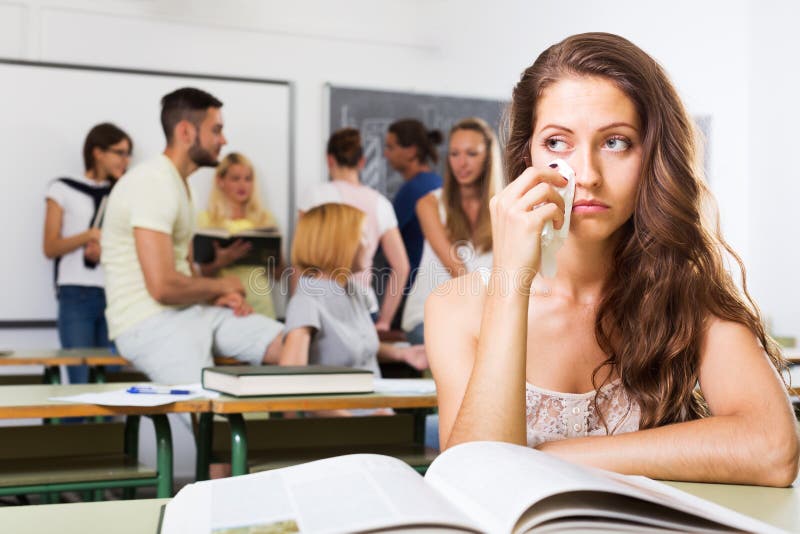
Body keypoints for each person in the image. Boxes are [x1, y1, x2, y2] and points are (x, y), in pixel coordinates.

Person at [426, 32, 799, 486]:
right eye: (558, 144)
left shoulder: (689, 288)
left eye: (616, 142)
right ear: (527, 157)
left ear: (653, 156)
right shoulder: (455, 306)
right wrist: (511, 280)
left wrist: (544, 457)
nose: (586, 176)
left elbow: (773, 449)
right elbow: (474, 482)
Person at [101, 87, 283, 384]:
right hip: (147, 323)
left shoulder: (182, 186)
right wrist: (222, 284)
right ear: (186, 132)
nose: (223, 140)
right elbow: (162, 287)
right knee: (209, 408)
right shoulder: (152, 183)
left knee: (288, 343)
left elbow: (184, 272)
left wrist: (218, 295)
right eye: (216, 130)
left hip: (190, 312)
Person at [280, 203, 427, 375]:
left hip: (377, 399)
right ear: (338, 243)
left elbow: (356, 349)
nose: (369, 244)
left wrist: (402, 353)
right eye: (362, 236)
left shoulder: (355, 292)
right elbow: (290, 380)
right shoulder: (306, 303)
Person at [43, 122, 132, 384]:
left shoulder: (123, 193)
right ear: (97, 152)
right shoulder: (62, 188)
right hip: (76, 294)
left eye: (128, 154)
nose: (125, 161)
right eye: (120, 152)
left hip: (116, 295)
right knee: (80, 383)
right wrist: (88, 236)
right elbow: (50, 247)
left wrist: (106, 251)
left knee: (110, 384)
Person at [401, 117, 502, 345]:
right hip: (427, 318)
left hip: (481, 319)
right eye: (455, 154)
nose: (461, 163)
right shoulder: (429, 204)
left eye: (471, 154)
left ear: (488, 157)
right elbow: (458, 271)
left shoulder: (504, 207)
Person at [299, 128, 410, 331]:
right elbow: (401, 267)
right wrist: (385, 322)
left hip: (320, 305)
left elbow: (301, 258)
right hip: (365, 307)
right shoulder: (381, 204)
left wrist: (297, 306)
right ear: (362, 162)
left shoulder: (315, 195)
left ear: (329, 159)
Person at [197, 152, 280, 319]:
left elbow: (278, 275)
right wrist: (221, 262)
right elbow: (201, 276)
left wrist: (271, 253)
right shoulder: (207, 220)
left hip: (262, 304)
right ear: (221, 181)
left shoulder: (265, 220)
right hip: (227, 305)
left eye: (248, 179)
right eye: (235, 178)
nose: (243, 185)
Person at [384, 119, 443, 291]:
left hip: (412, 288)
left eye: (391, 147)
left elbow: (384, 239)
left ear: (411, 151)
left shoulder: (413, 190)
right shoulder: (438, 182)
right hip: (435, 284)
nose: (386, 154)